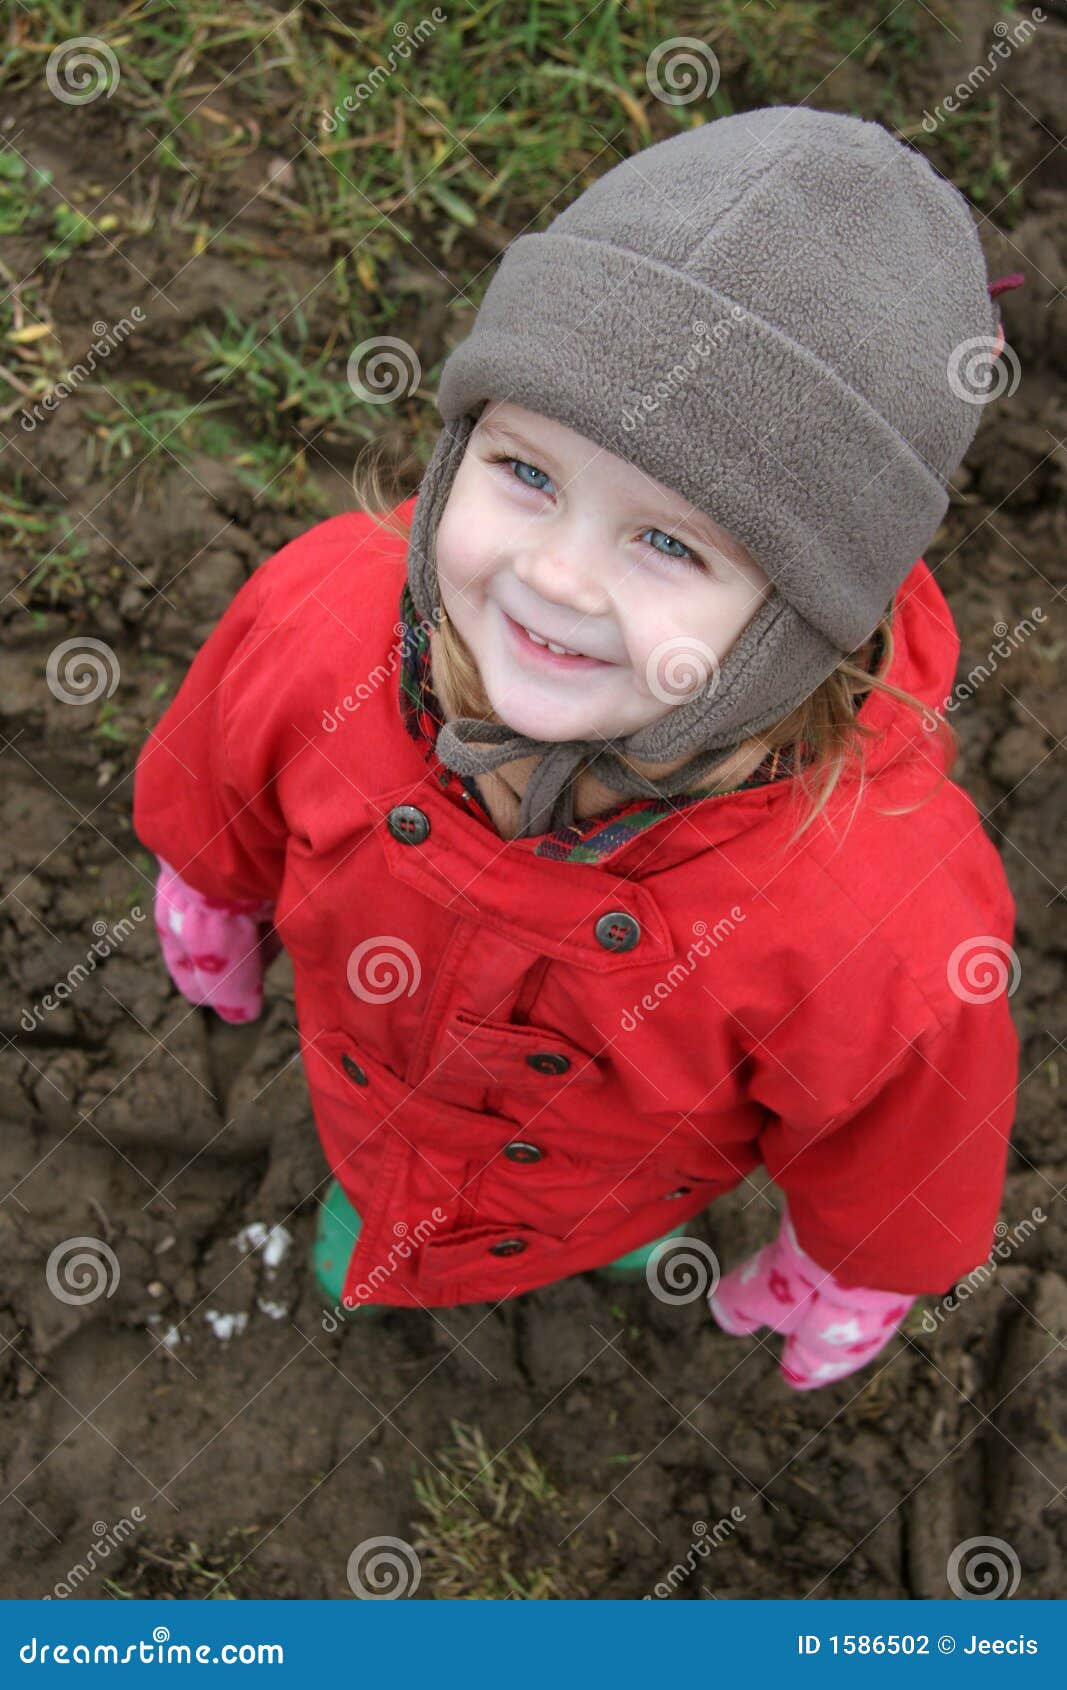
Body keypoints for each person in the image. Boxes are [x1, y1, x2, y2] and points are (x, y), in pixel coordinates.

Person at [133, 106, 1022, 1391]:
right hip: (362, 1095)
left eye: (668, 543)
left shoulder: (875, 904)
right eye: (525, 472)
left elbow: (906, 1114)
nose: (552, 577)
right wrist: (206, 876)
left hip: (615, 1184)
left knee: (589, 1230)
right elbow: (223, 745)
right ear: (455, 445)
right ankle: (374, 1240)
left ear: (803, 615)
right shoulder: (327, 621)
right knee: (368, 1218)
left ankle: (574, 1249)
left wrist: (863, 1259)